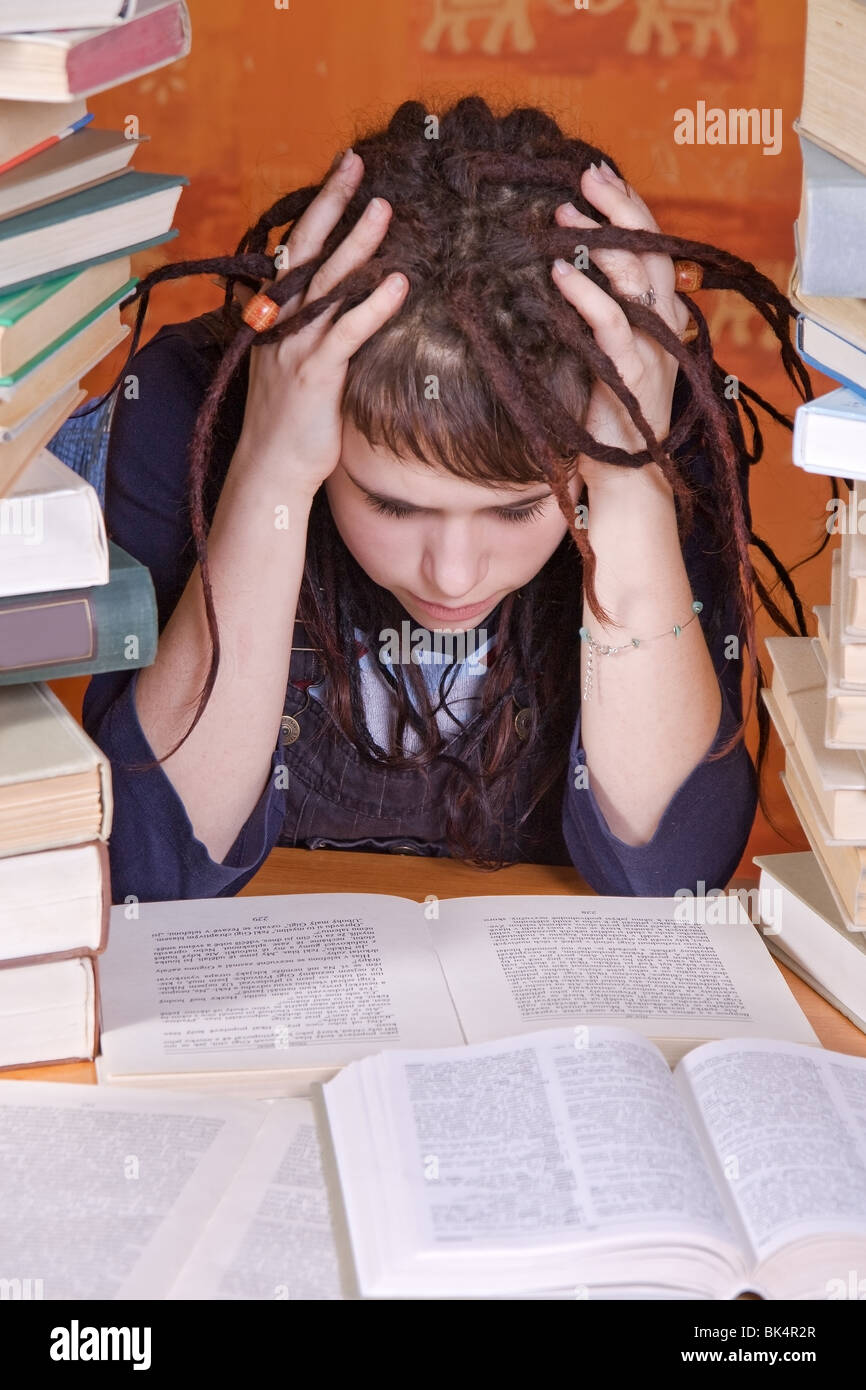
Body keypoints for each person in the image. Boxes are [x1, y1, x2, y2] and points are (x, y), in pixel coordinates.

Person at [81, 95, 817, 905]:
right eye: (394, 507)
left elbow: (679, 871)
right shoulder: (185, 405)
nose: (455, 575)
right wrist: (269, 474)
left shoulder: (655, 415)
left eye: (515, 510)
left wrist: (630, 477)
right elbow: (146, 868)